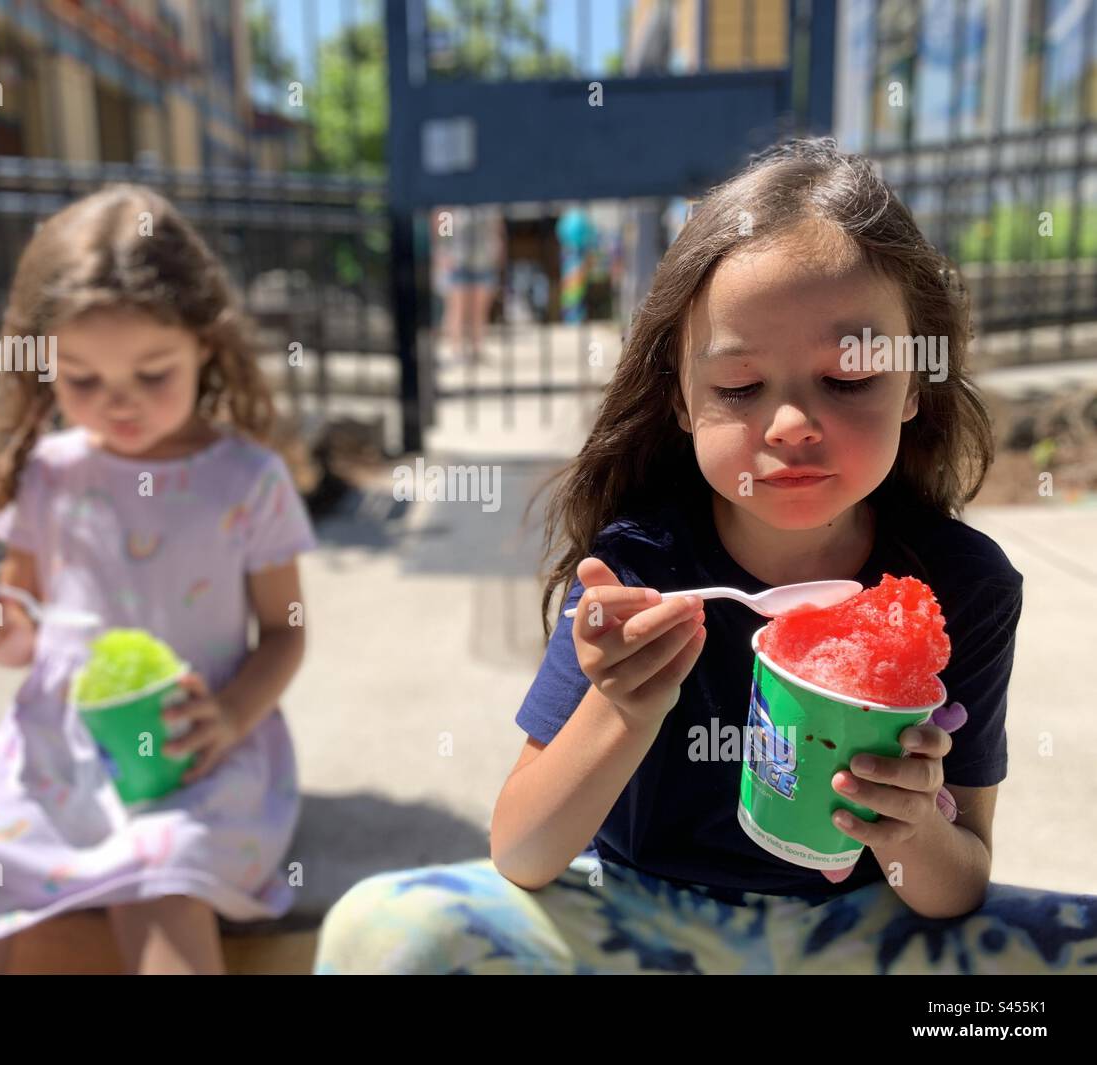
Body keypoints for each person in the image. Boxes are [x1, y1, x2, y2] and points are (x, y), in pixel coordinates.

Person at [312, 138, 1097, 974]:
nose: (792, 423)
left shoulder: (963, 589)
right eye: (738, 388)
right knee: (386, 929)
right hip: (640, 923)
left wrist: (914, 830)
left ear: (912, 385)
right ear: (682, 402)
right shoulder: (636, 571)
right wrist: (621, 708)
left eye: (846, 378)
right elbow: (524, 851)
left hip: (855, 934)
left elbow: (959, 886)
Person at [0, 184, 318, 974]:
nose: (117, 404)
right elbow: (26, 625)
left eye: (152, 372)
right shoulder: (48, 473)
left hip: (193, 745)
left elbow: (288, 629)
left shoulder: (246, 479)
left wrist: (232, 715)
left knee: (161, 886)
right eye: (82, 381)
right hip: (59, 750)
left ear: (206, 342)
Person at [438, 203, 505, 364]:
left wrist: (499, 253)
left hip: (484, 260)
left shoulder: (490, 203)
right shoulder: (451, 201)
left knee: (480, 309)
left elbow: (497, 229)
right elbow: (443, 223)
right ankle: (456, 349)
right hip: (457, 260)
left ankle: (477, 348)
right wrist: (444, 253)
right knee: (457, 307)